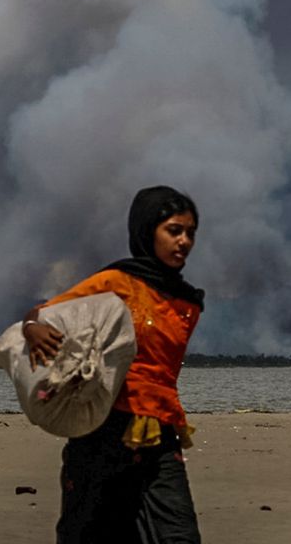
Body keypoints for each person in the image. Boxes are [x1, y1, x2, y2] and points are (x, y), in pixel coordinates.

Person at [22, 185, 205, 544]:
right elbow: (47, 312)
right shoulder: (116, 282)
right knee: (88, 533)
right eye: (173, 231)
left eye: (190, 233)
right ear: (145, 230)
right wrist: (32, 328)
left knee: (179, 536)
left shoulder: (189, 303)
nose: (183, 241)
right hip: (101, 427)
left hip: (161, 429)